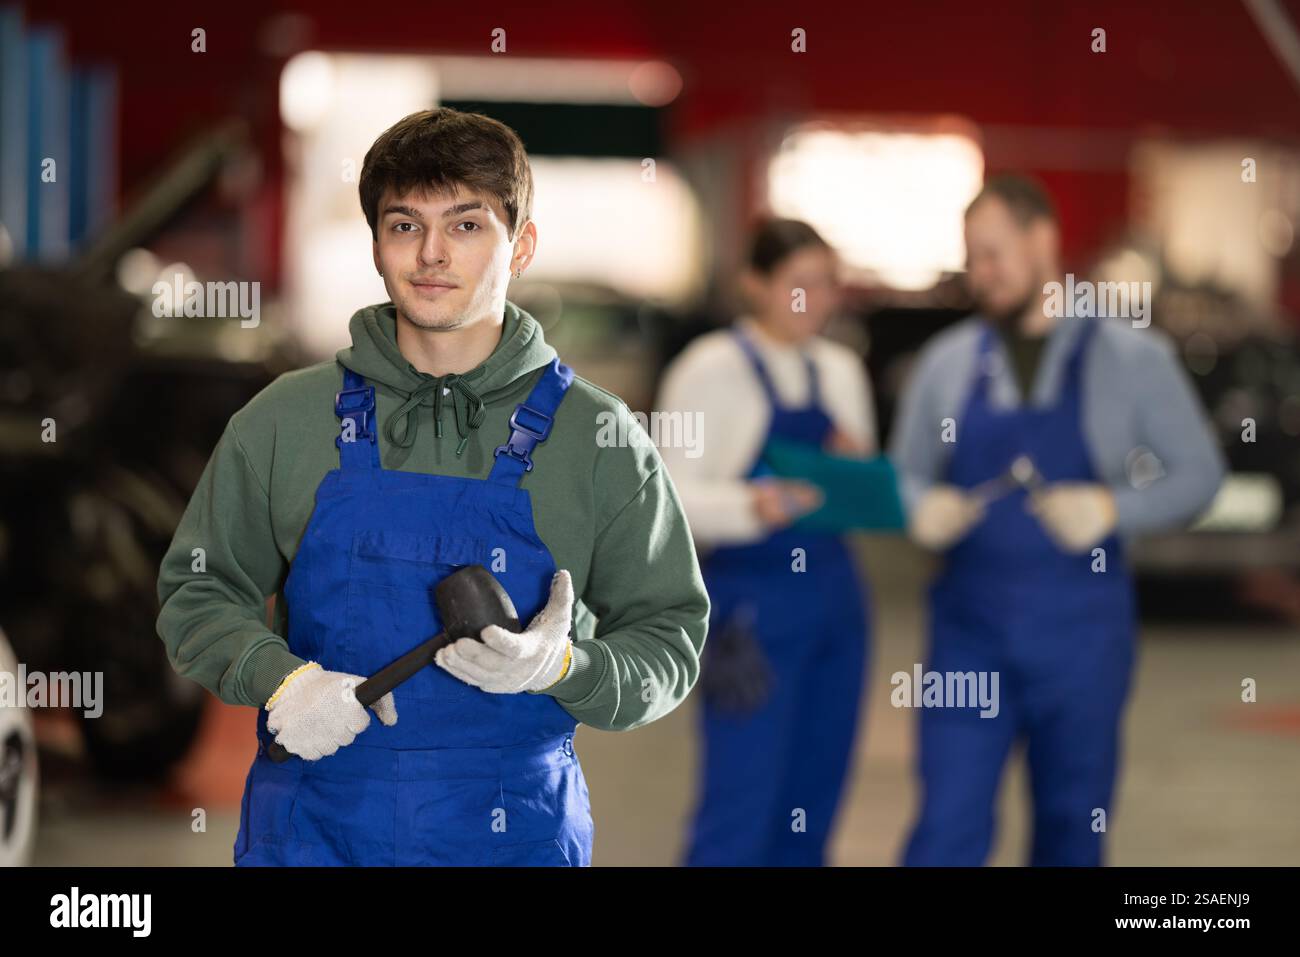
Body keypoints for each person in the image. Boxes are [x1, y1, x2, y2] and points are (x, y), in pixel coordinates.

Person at [155, 108, 710, 867]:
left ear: (522, 245)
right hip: (316, 832)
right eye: (405, 225)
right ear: (376, 245)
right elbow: (198, 591)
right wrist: (282, 682)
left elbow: (668, 637)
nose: (432, 254)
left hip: (513, 838)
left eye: (467, 225)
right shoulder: (285, 420)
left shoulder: (597, 440)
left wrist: (562, 668)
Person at [890, 174, 1226, 866]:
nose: (981, 275)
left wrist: (1113, 508)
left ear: (1042, 239)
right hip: (969, 636)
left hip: (1082, 638)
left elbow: (1200, 474)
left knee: (1073, 828)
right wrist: (918, 507)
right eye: (972, 259)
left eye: (994, 254)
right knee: (945, 828)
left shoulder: (1133, 359)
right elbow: (903, 474)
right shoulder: (946, 364)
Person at [656, 218, 876, 866]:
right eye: (799, 284)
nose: (816, 300)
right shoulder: (708, 370)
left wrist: (858, 475)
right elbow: (666, 502)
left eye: (827, 284)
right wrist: (753, 506)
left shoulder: (841, 370)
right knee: (740, 805)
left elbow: (860, 487)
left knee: (815, 799)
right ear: (754, 284)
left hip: (837, 599)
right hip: (750, 607)